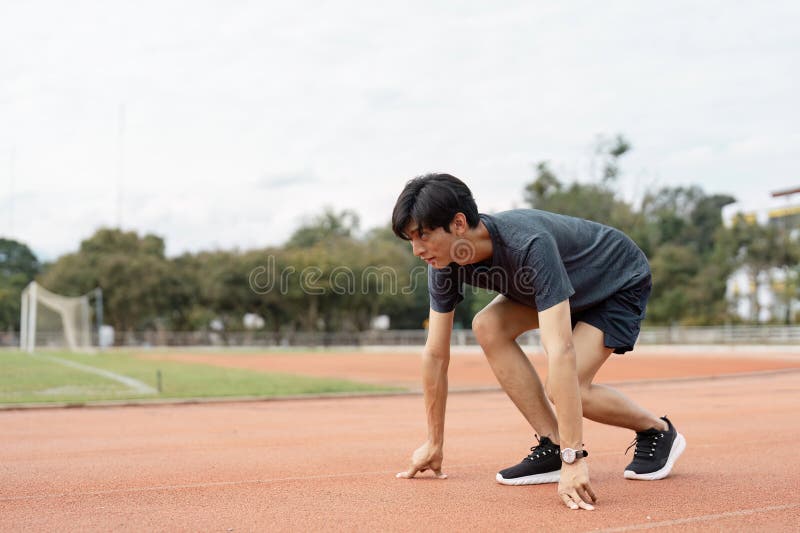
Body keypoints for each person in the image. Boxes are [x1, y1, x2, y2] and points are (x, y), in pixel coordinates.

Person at [391, 173, 686, 511]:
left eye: (422, 235)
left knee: (568, 387)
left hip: (615, 282)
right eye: (409, 239)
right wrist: (433, 442)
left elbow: (560, 348)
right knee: (487, 324)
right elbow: (435, 355)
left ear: (458, 224)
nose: (416, 250)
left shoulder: (528, 243)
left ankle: (658, 431)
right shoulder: (443, 263)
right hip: (565, 288)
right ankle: (552, 442)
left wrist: (574, 459)